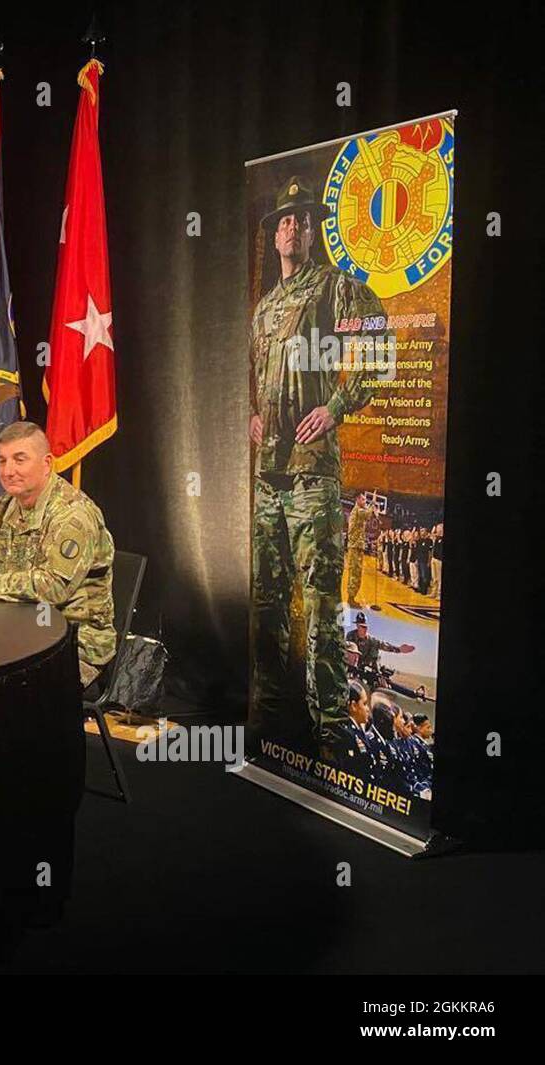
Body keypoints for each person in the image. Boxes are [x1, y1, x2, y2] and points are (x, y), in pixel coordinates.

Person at [248, 175, 387, 752]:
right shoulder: (262, 310)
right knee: (265, 597)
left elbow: (380, 344)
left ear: (313, 231)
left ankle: (330, 721)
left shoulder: (334, 288)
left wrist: (335, 406)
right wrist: (251, 415)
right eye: (285, 219)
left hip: (311, 472)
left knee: (323, 599)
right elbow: (255, 379)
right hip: (266, 475)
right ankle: (273, 708)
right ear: (273, 233)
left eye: (304, 219)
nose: (294, 226)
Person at [0, 421, 115, 692]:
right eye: (2, 461)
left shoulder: (73, 514)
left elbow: (53, 588)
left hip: (72, 645)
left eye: (20, 460)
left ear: (47, 463)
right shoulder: (4, 507)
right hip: (15, 633)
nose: (8, 471)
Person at [348, 612, 415, 678]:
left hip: (369, 670)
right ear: (357, 626)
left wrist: (399, 649)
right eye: (362, 626)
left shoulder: (372, 640)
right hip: (354, 667)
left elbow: (384, 645)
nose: (365, 629)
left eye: (366, 627)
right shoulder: (351, 636)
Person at [345, 493, 370, 608]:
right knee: (354, 572)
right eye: (363, 499)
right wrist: (373, 503)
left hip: (356, 546)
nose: (365, 502)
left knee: (356, 572)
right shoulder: (358, 511)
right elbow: (368, 514)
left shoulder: (358, 511)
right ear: (358, 499)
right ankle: (350, 599)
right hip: (355, 546)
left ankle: (351, 597)